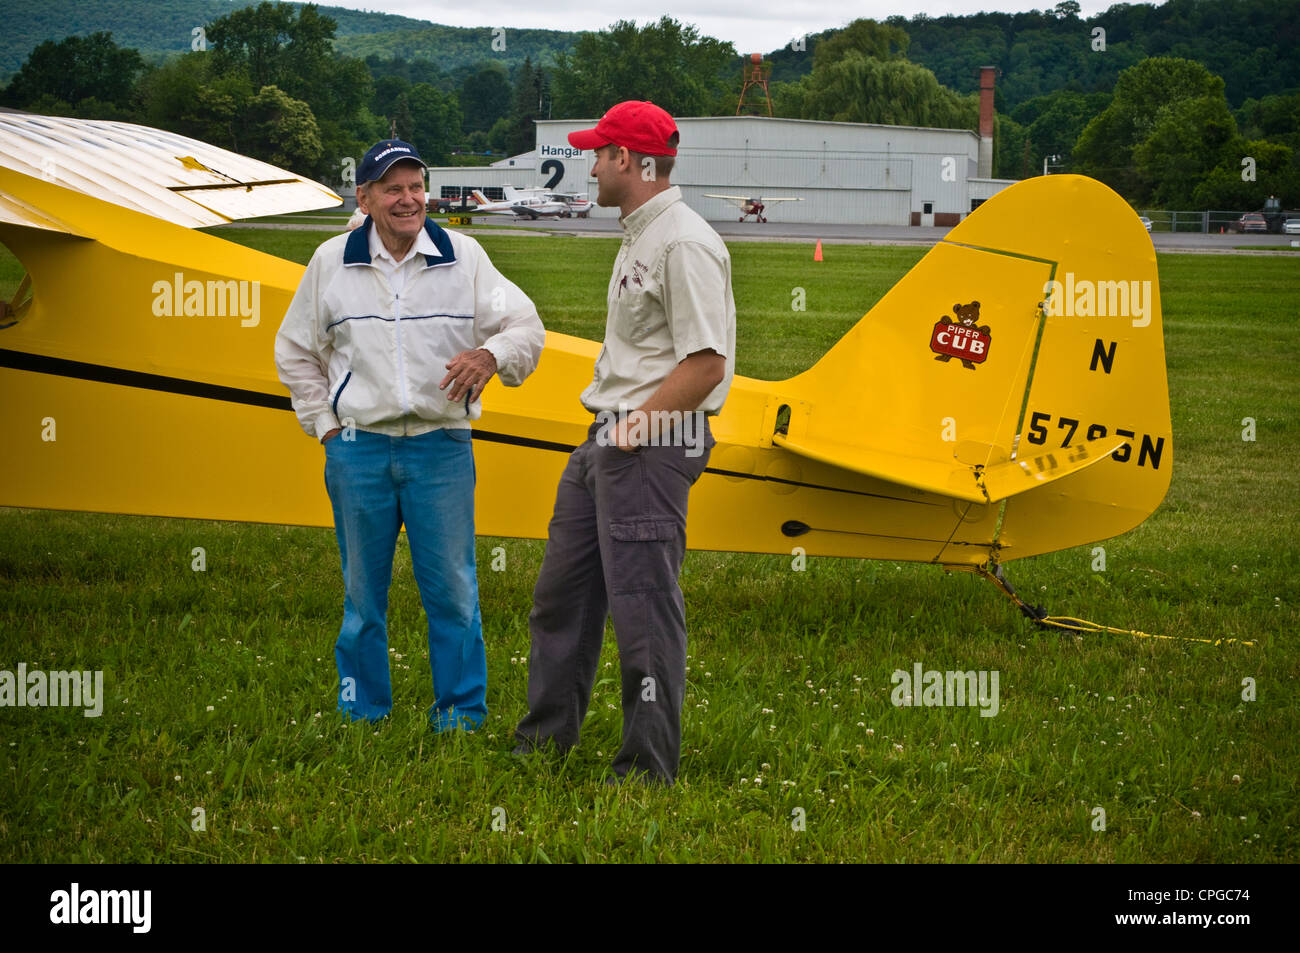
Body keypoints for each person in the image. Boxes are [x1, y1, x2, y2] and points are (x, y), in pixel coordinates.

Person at [275, 139, 544, 730]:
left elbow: (526, 326)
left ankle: (460, 715)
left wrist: (492, 353)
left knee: (452, 591)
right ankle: (363, 710)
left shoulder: (464, 257)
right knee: (362, 597)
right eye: (392, 189)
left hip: (440, 448)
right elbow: (296, 351)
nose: (408, 199)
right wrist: (324, 426)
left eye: (416, 186)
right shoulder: (330, 262)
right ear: (364, 197)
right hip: (357, 450)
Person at [514, 101, 736, 784]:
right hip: (606, 438)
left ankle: (645, 770)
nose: (591, 163)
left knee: (643, 614)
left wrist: (632, 432)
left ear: (633, 163)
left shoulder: (684, 242)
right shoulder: (640, 231)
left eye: (600, 151)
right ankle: (542, 747)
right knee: (561, 598)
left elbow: (706, 363)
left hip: (647, 443)